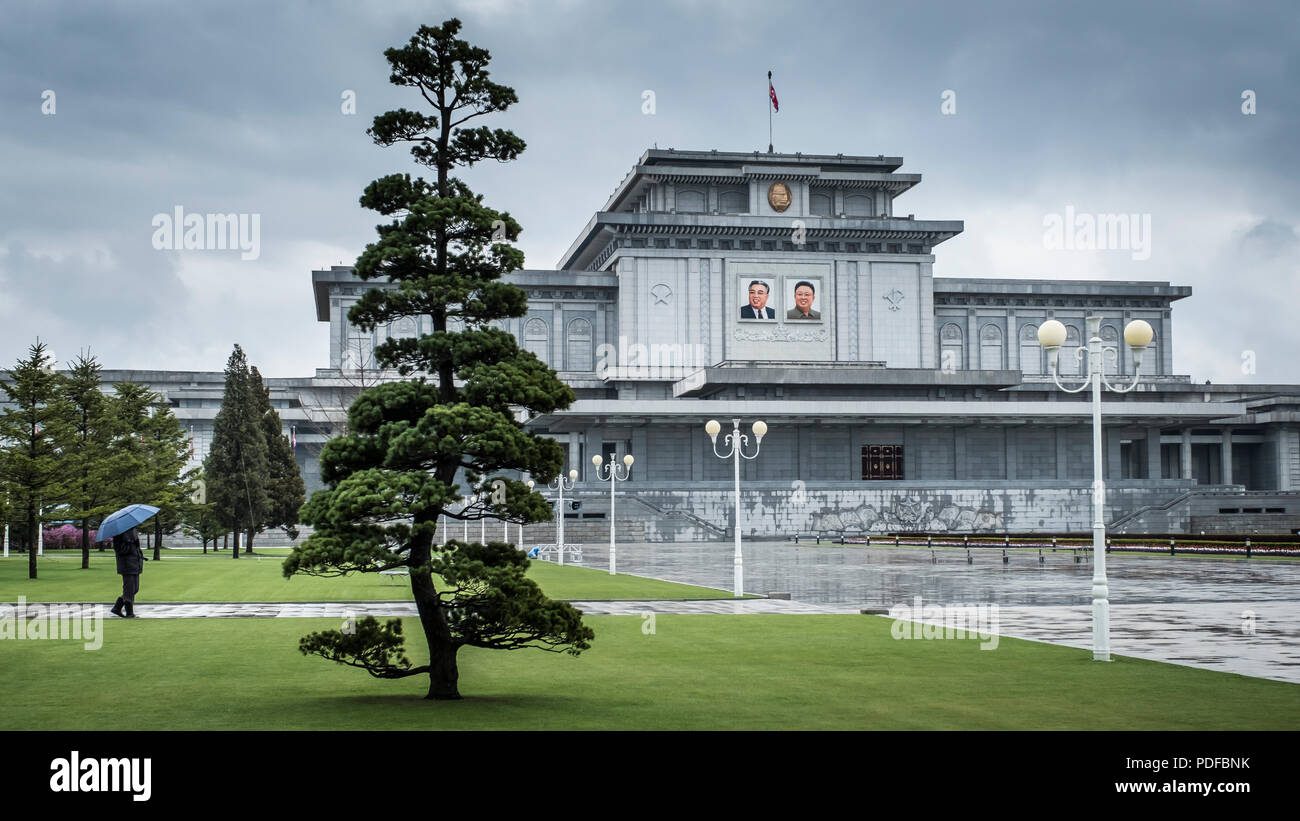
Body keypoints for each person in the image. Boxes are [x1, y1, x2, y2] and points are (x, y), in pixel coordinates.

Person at [110, 527, 145, 618]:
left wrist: (136, 546)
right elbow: (119, 549)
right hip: (126, 564)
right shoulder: (118, 532)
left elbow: (136, 547)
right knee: (129, 589)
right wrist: (131, 545)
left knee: (135, 589)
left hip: (135, 563)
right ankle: (129, 612)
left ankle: (117, 608)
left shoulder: (133, 530)